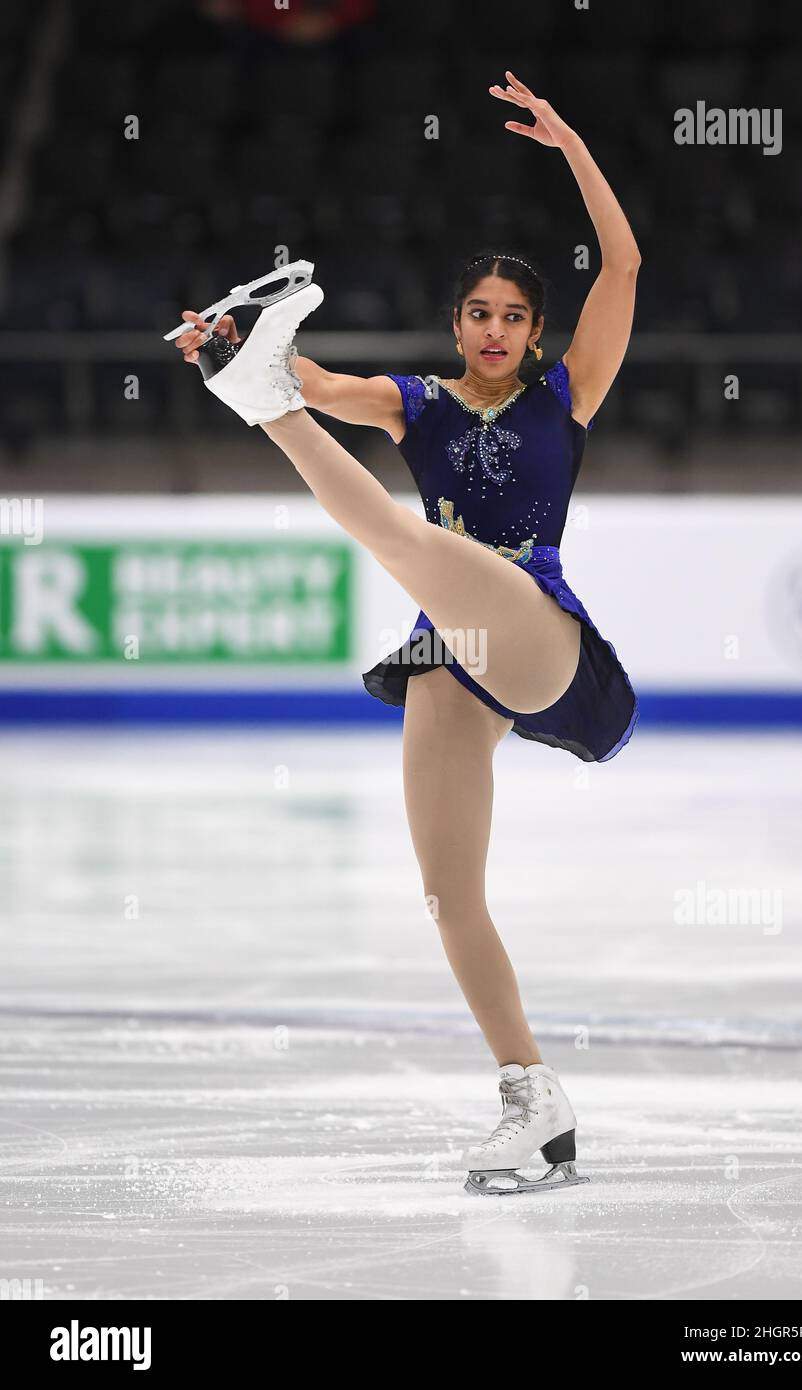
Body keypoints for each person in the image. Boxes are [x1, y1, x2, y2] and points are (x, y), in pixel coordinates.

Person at [168, 72, 640, 1194]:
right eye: (476, 311)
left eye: (511, 316)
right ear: (457, 322)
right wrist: (231, 341)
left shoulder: (562, 398)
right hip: (451, 654)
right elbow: (327, 377)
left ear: (534, 335)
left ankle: (256, 403)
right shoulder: (413, 403)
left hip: (535, 632)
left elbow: (619, 269)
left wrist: (571, 144)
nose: (491, 328)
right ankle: (533, 1099)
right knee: (447, 891)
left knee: (396, 535)